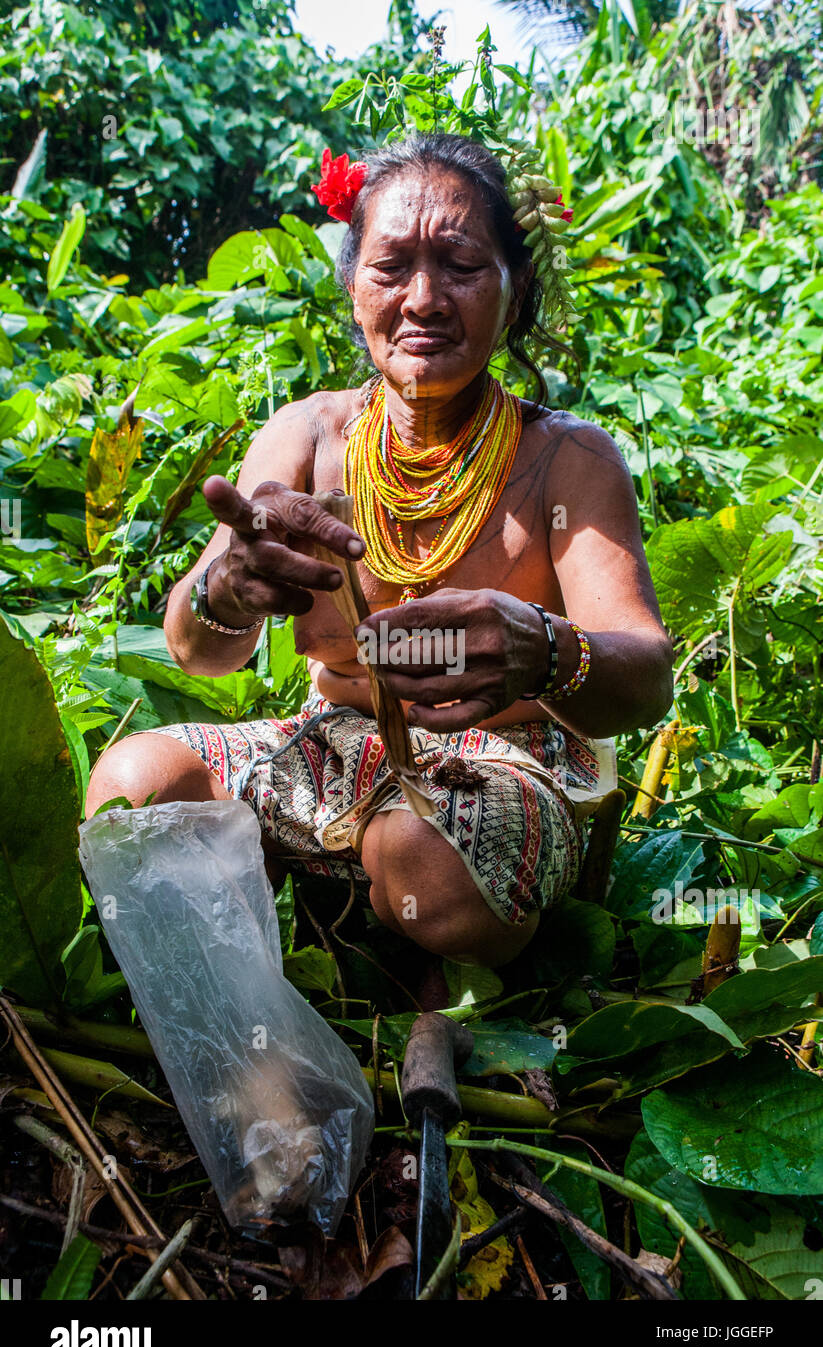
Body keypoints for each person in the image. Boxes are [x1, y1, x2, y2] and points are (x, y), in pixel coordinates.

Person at [85, 132, 673, 969]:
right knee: (130, 788)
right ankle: (260, 974)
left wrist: (543, 651)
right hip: (329, 745)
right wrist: (231, 587)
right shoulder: (303, 437)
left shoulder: (565, 461)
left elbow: (645, 677)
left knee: (425, 865)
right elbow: (197, 652)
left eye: (462, 265)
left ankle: (422, 946)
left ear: (516, 287)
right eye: (391, 267)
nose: (424, 299)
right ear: (353, 283)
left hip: (507, 762)